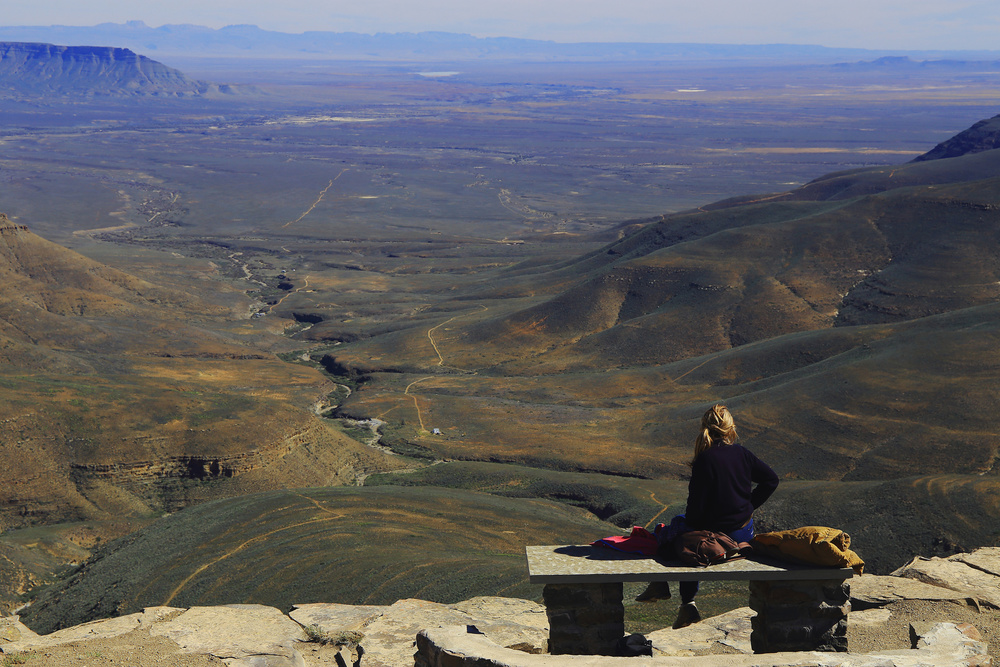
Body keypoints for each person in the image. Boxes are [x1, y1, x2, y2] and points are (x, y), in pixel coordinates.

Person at [637, 404, 779, 629]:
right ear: (730, 428)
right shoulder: (742, 454)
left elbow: (694, 512)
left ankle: (681, 599)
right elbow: (771, 480)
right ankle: (668, 592)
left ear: (705, 427)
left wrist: (692, 524)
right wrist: (749, 506)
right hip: (743, 533)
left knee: (674, 528)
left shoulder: (705, 459)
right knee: (683, 528)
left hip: (716, 535)